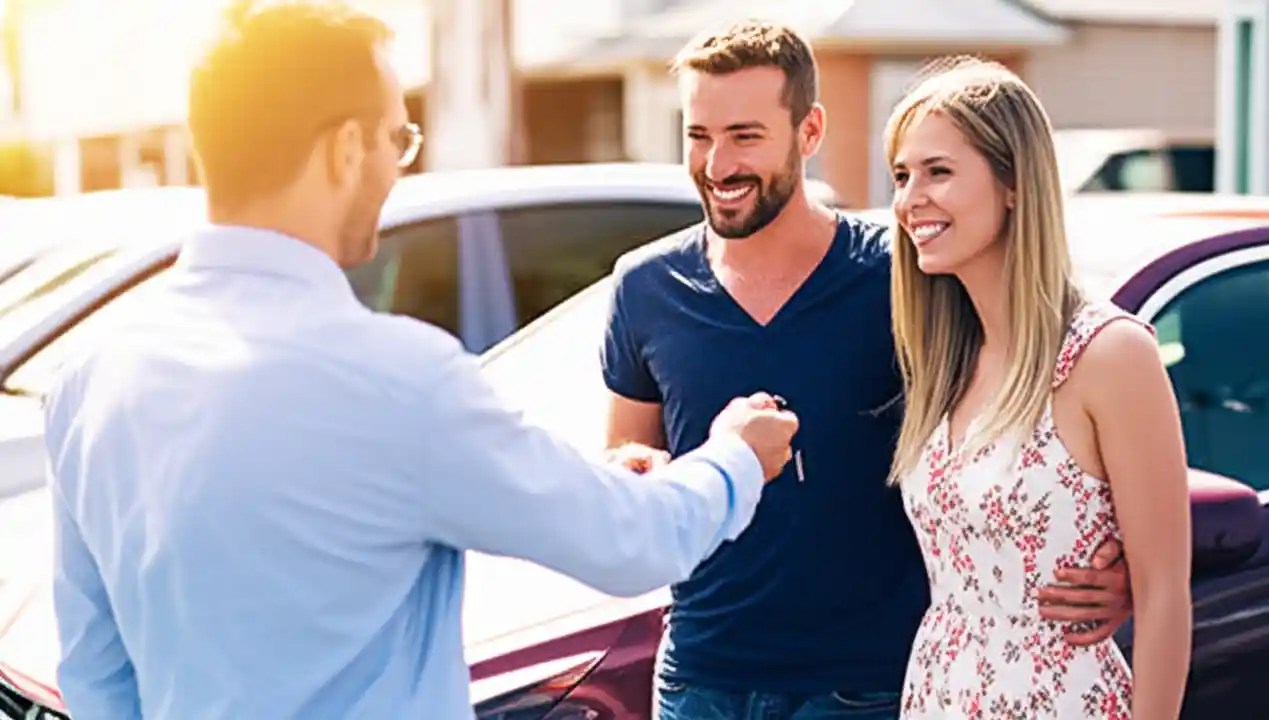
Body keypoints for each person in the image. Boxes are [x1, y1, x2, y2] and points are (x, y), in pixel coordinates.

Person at [41, 3, 800, 719]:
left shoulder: (91, 378)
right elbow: (634, 542)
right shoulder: (395, 380)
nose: (395, 169)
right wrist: (733, 455)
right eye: (397, 141)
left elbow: (97, 674)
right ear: (344, 149)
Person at [602, 20, 1136, 720]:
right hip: (700, 678)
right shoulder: (643, 289)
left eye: (745, 136)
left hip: (865, 685)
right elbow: (625, 459)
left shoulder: (904, 276)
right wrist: (628, 472)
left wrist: (1122, 559)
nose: (717, 163)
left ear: (810, 131)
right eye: (698, 136)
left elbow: (1042, 423)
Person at [885, 58, 1191, 718]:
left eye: (939, 171)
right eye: (902, 176)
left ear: (1014, 184)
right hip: (938, 695)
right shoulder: (946, 360)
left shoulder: (1110, 355)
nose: (911, 199)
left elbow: (1166, 592)